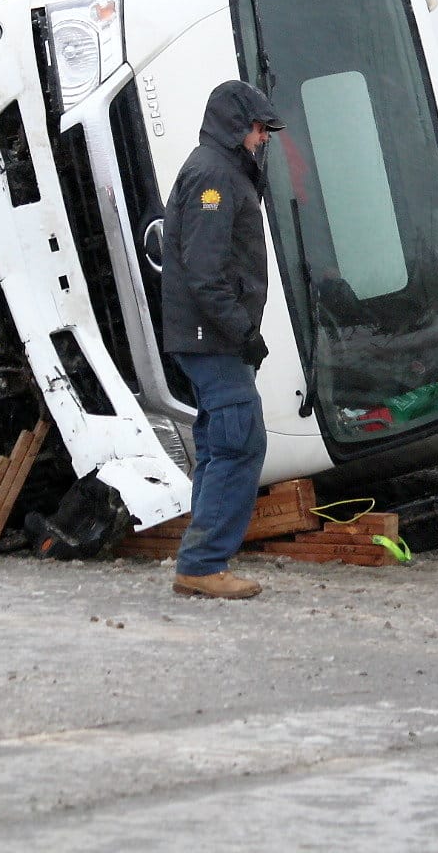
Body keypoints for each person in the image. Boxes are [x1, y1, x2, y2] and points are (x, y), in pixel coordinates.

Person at [159, 80, 286, 599]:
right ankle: (203, 564)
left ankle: (200, 562)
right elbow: (204, 271)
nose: (265, 137)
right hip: (211, 337)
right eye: (259, 127)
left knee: (219, 444)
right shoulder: (213, 175)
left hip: (209, 336)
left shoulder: (224, 169)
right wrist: (242, 331)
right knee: (240, 441)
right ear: (237, 126)